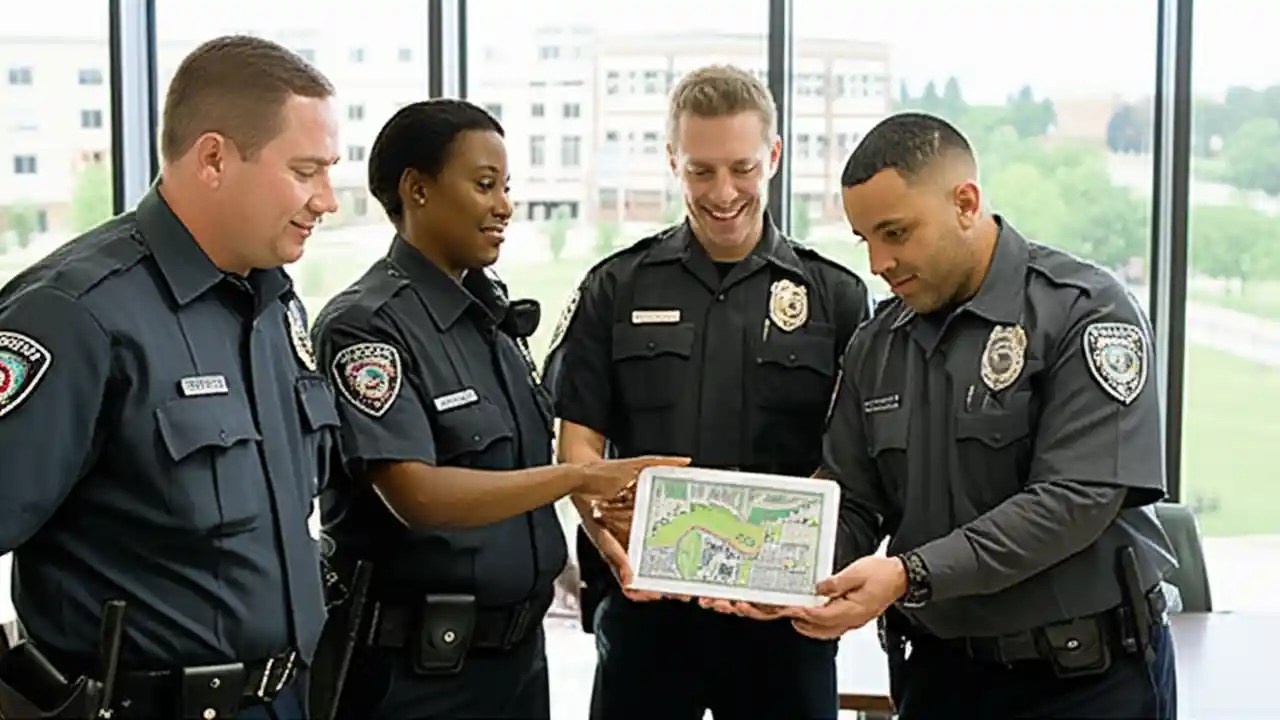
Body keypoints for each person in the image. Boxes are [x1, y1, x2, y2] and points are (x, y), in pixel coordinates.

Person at [786, 112, 1179, 718]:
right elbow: (854, 502)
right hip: (939, 680)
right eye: (866, 239)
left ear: (966, 202)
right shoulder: (877, 344)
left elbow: (1073, 500)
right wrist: (786, 572)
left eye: (896, 232)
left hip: (1082, 683)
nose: (879, 263)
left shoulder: (1083, 312)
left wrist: (909, 574)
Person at [309, 99, 687, 720]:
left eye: (506, 187)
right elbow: (416, 495)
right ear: (417, 189)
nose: (504, 206)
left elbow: (514, 479)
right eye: (484, 185)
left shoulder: (493, 321)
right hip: (417, 675)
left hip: (516, 663)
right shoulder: (368, 328)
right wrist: (578, 476)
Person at [0, 35, 341, 719]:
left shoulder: (274, 306)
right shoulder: (76, 314)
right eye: (306, 171)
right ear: (213, 158)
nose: (327, 200)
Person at [544, 64, 871, 720]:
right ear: (673, 160)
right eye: (700, 171)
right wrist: (601, 528)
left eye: (742, 168)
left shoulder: (835, 297)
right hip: (648, 613)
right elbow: (577, 440)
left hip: (782, 621)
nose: (723, 192)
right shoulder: (617, 288)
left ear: (773, 156)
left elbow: (854, 457)